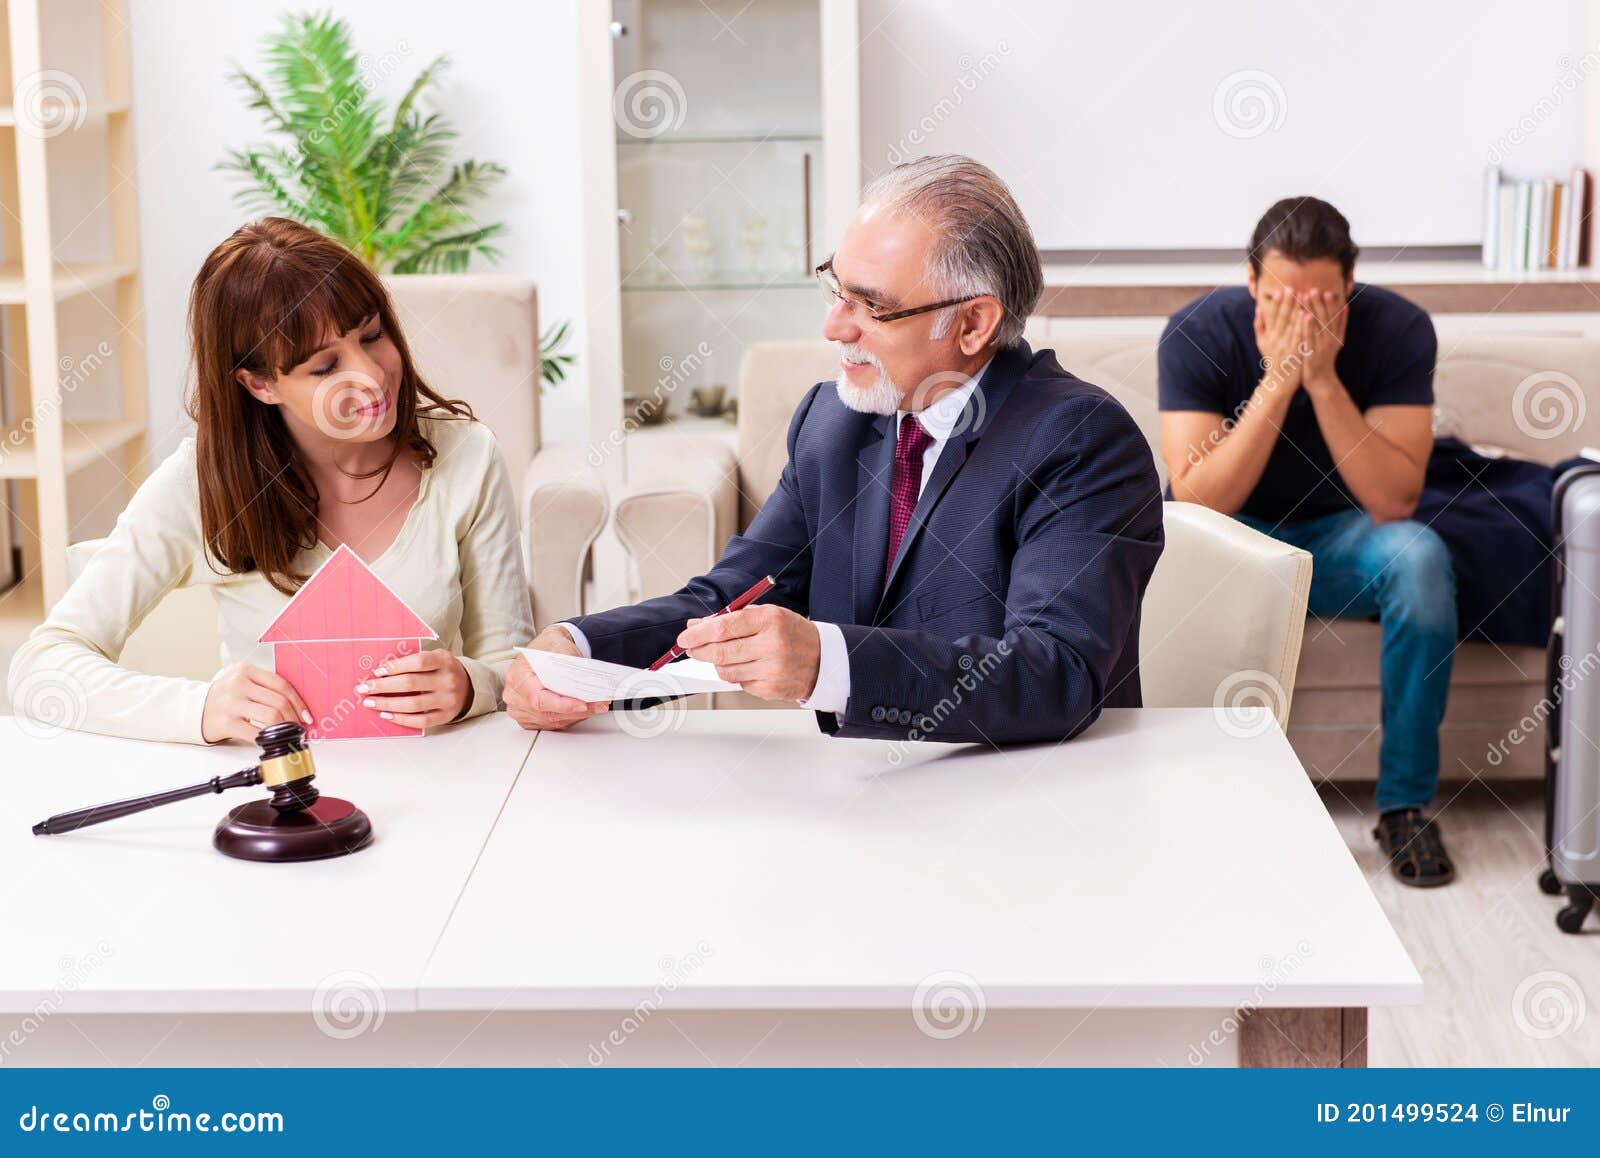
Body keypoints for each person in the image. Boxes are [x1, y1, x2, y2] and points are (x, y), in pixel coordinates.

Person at [506, 155, 1164, 745]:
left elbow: (1054, 674)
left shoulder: (1080, 439)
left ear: (973, 323)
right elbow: (734, 597)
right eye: (835, 289)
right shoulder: (833, 422)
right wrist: (582, 651)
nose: (833, 327)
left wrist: (828, 662)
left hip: (1036, 804)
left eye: (871, 306)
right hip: (861, 797)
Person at [7, 217, 534, 744]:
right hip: (275, 794)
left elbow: (511, 664)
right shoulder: (202, 485)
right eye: (325, 367)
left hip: (443, 781)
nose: (371, 376)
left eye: (373, 336)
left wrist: (470, 686)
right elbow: (42, 669)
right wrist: (202, 707)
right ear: (259, 384)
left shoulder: (466, 456)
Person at [1158, 196, 1456, 887]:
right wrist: (1278, 377)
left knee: (1422, 560)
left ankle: (1405, 807)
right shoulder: (1196, 333)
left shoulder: (1400, 330)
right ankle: (1217, 807)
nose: (1299, 317)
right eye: (1279, 299)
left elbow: (1394, 500)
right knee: (1161, 555)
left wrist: (1320, 378)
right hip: (1234, 546)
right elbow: (1200, 502)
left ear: (1350, 286)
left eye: (1319, 302)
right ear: (1251, 283)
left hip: (1346, 537)